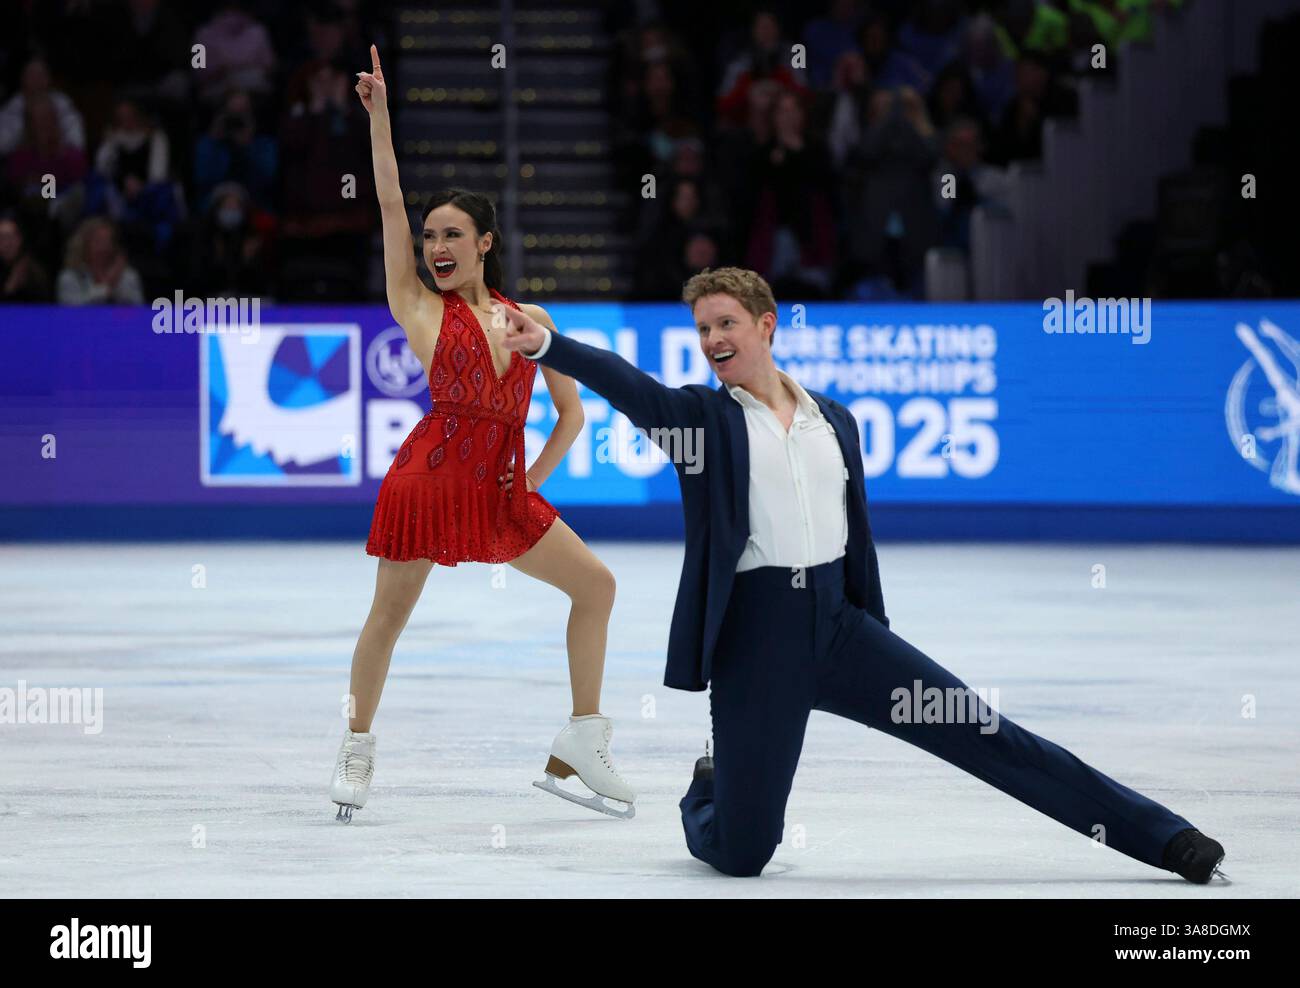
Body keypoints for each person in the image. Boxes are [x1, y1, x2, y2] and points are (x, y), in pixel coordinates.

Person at [495, 265, 1227, 883]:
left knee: (986, 732)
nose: (714, 341)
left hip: (844, 634)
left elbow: (853, 539)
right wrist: (550, 346)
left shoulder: (833, 421)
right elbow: (628, 386)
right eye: (703, 331)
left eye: (726, 324)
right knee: (744, 855)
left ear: (767, 324)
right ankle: (710, 786)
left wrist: (863, 624)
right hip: (757, 646)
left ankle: (1165, 839)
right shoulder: (701, 424)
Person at [331, 46, 633, 823]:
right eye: (432, 235)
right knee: (386, 621)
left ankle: (581, 742)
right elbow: (388, 205)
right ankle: (357, 745)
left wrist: (530, 483)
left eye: (452, 234)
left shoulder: (530, 322)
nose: (436, 246)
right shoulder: (419, 308)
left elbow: (572, 415)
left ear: (484, 243)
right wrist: (381, 119)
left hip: (500, 493)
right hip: (427, 482)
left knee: (596, 586)